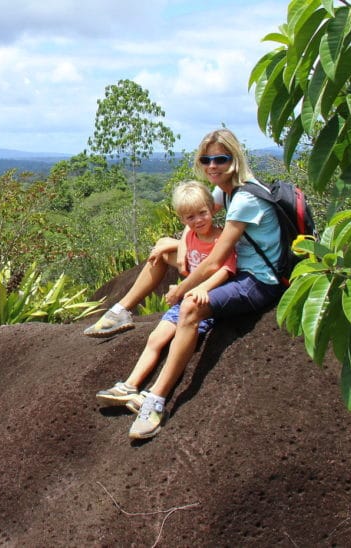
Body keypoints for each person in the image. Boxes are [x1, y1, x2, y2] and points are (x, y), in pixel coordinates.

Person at [88, 128, 286, 440]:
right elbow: (196, 220)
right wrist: (174, 242)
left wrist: (180, 291)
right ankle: (123, 309)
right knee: (161, 254)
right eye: (206, 159)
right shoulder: (226, 191)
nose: (212, 166)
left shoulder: (245, 197)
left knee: (191, 307)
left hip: (256, 281)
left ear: (234, 159)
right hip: (235, 273)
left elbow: (214, 261)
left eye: (220, 158)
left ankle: (155, 400)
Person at [96, 180, 237, 415]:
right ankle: (129, 386)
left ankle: (151, 394)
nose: (198, 220)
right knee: (155, 339)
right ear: (182, 220)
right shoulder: (190, 236)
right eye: (190, 217)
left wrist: (204, 288)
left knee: (176, 346)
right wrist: (166, 248)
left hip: (203, 302)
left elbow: (226, 269)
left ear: (213, 210)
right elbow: (180, 246)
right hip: (184, 300)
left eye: (202, 213)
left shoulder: (221, 239)